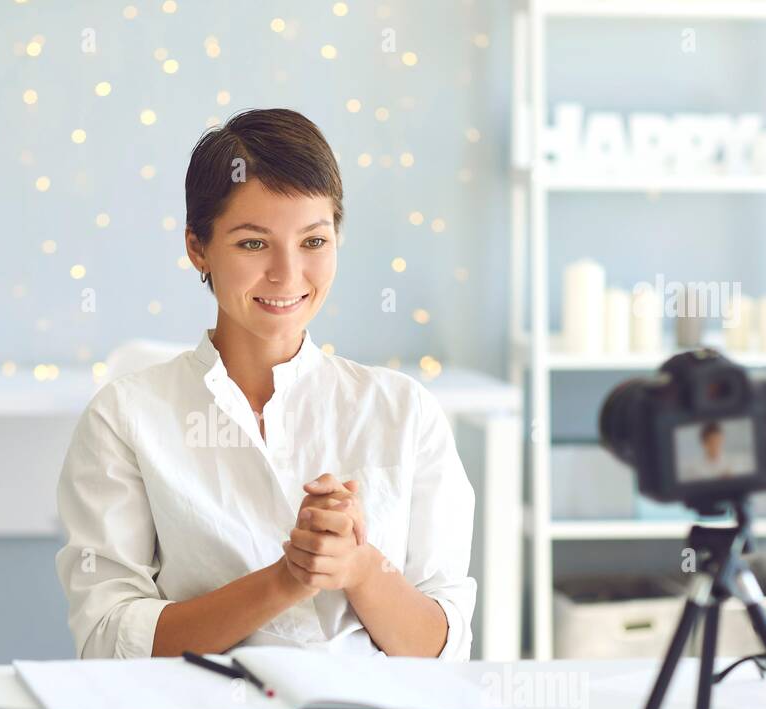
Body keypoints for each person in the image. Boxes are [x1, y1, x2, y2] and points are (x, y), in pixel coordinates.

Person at [55, 108, 477, 660]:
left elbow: (443, 650)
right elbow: (108, 641)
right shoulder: (126, 417)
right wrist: (284, 580)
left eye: (313, 241)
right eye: (253, 244)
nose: (286, 273)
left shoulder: (404, 412)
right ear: (197, 247)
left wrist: (359, 568)